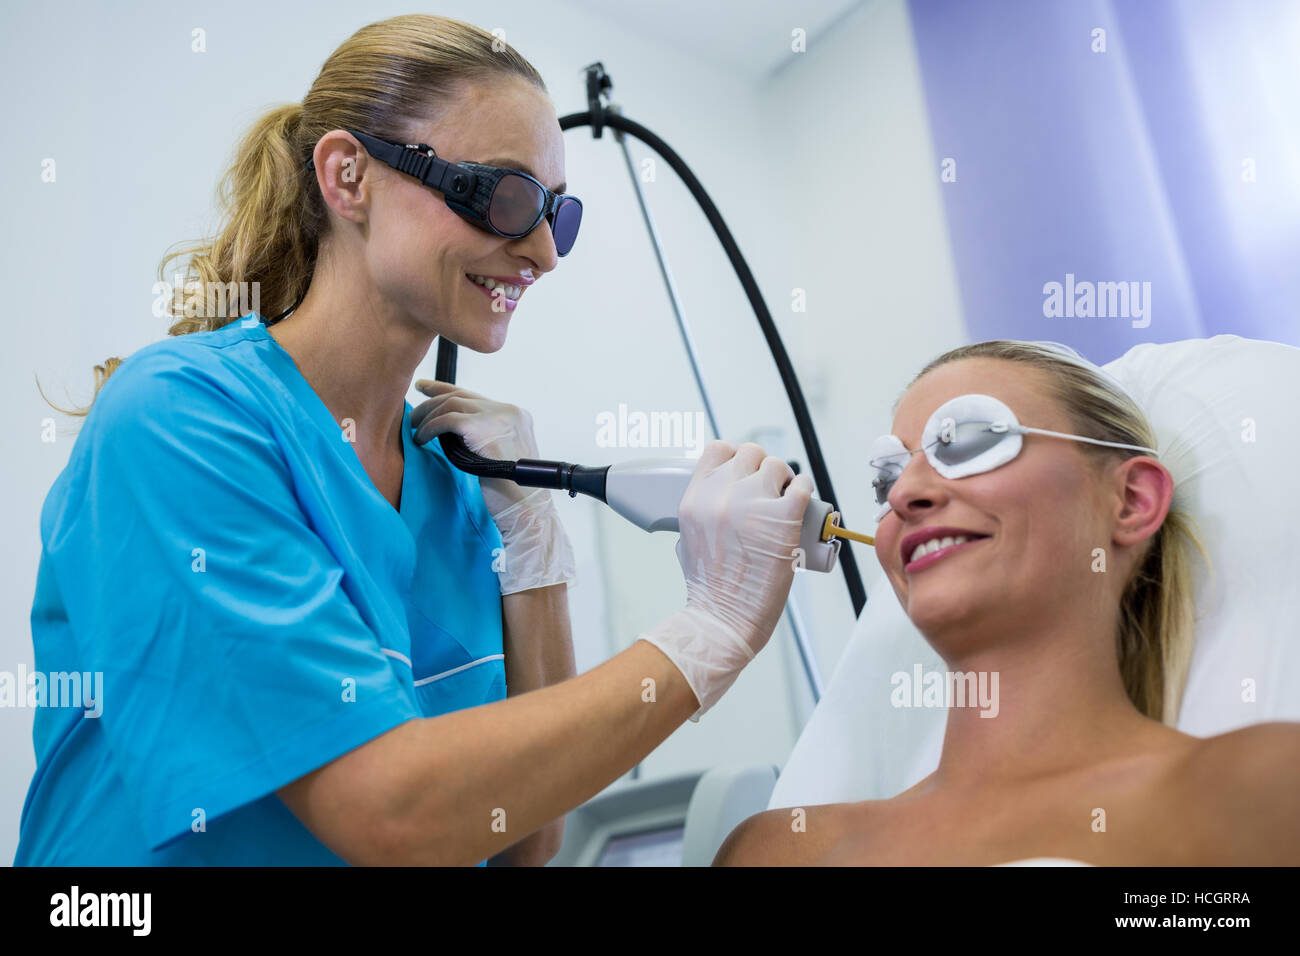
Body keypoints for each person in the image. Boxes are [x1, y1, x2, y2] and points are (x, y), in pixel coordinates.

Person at [15, 13, 813, 866]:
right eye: (505, 198)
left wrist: (536, 557)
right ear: (348, 175)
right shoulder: (181, 420)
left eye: (557, 215)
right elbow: (390, 813)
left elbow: (530, 839)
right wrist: (707, 633)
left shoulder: (462, 482)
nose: (542, 252)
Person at [715, 340, 1300, 865]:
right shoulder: (780, 850)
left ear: (1131, 500)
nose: (906, 492)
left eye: (969, 440)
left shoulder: (1261, 791)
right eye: (885, 478)